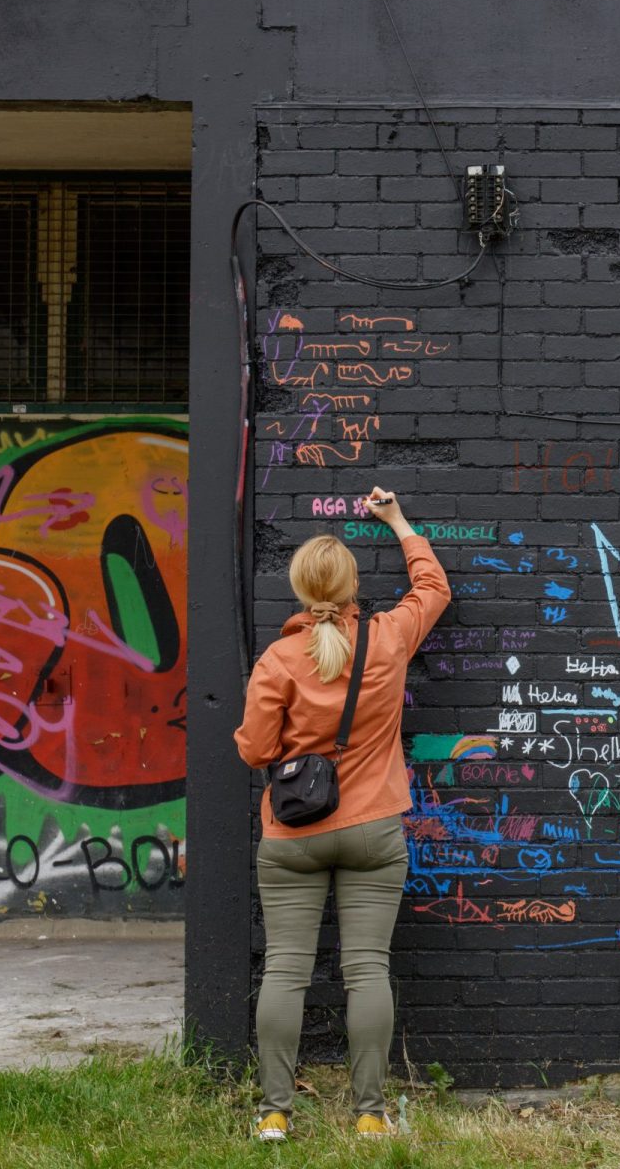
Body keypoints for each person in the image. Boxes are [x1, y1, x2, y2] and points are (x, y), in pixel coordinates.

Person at [234, 489, 449, 1141]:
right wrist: (397, 521)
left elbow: (254, 751)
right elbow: (432, 587)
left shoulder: (278, 660)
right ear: (353, 587)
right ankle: (370, 1116)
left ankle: (274, 1111)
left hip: (293, 836)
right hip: (375, 831)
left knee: (286, 971)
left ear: (300, 590)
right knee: (366, 971)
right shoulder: (387, 640)